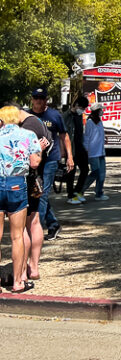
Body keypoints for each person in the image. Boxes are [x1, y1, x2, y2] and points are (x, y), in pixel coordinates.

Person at [0, 105, 41, 292]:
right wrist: (39, 150)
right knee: (17, 236)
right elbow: (34, 163)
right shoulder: (28, 135)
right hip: (17, 184)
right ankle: (17, 282)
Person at [29, 87, 72, 240]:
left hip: (50, 160)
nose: (38, 101)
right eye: (36, 97)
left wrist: (69, 157)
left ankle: (36, 231)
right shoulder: (27, 115)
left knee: (42, 195)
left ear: (46, 100)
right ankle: (53, 224)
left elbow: (64, 136)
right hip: (32, 161)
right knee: (36, 194)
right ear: (32, 99)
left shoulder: (54, 115)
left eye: (41, 98)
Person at [17, 106, 51, 283]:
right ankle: (34, 267)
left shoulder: (26, 127)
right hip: (37, 180)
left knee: (21, 227)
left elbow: (31, 160)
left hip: (24, 180)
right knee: (35, 222)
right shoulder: (39, 123)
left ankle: (22, 270)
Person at [62, 96, 89, 205]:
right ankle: (70, 195)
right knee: (71, 173)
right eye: (81, 107)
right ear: (76, 105)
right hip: (71, 148)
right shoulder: (65, 116)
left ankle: (77, 191)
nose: (82, 110)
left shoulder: (79, 115)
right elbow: (62, 134)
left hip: (80, 147)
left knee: (85, 169)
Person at [80, 103, 108, 201]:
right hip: (93, 152)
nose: (102, 111)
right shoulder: (90, 122)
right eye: (101, 110)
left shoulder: (99, 122)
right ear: (97, 111)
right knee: (95, 172)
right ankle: (81, 190)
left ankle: (99, 193)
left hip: (101, 152)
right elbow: (87, 137)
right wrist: (87, 150)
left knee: (102, 173)